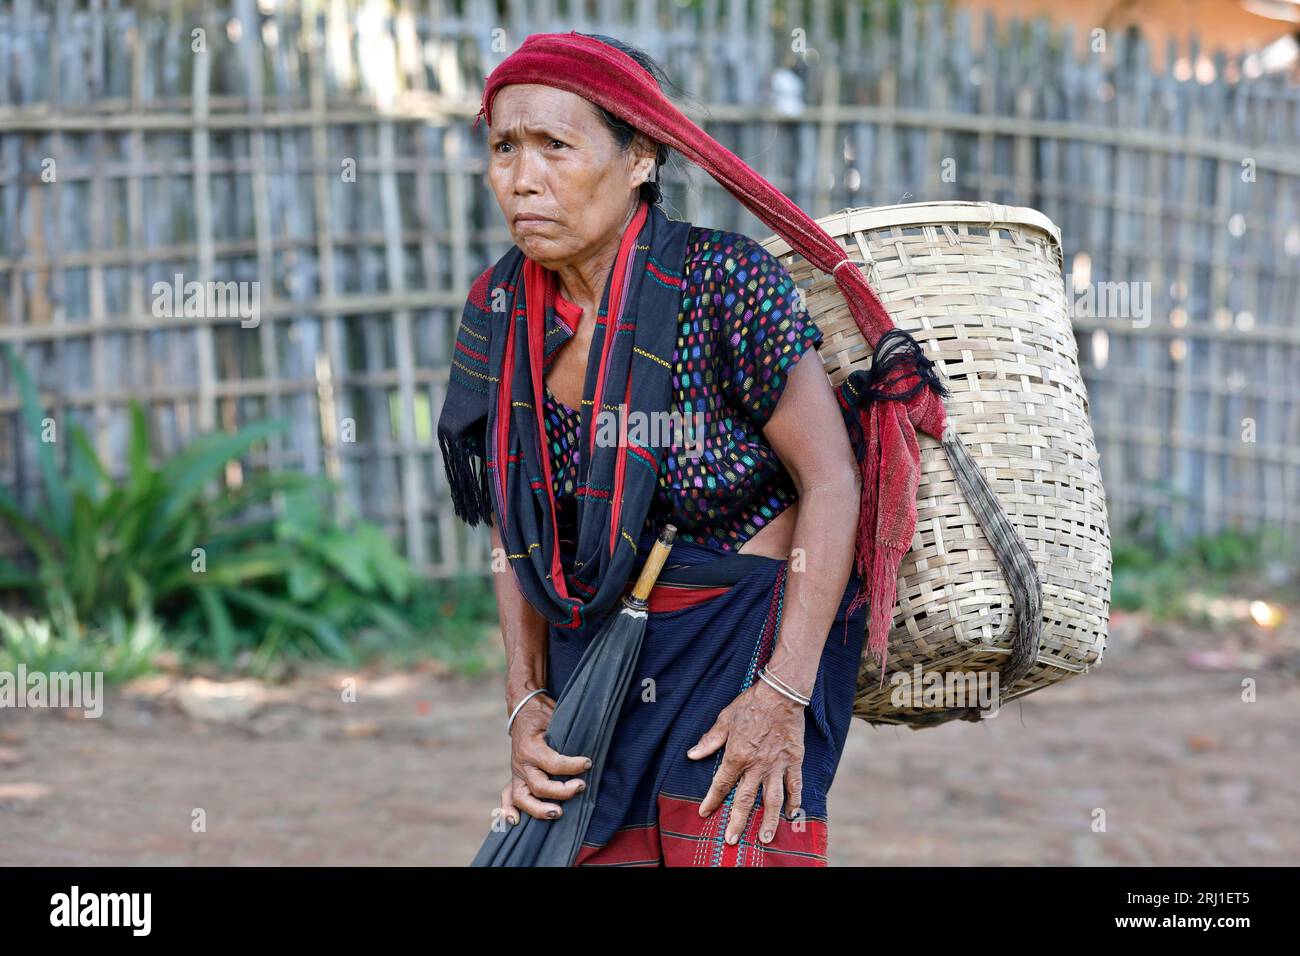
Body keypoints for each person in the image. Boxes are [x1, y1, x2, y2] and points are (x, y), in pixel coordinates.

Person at [436, 32, 947, 866]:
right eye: (503, 147)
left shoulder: (720, 284)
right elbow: (513, 522)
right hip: (591, 657)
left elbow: (832, 482)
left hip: (738, 651)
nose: (521, 178)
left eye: (556, 146)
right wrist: (525, 698)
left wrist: (781, 694)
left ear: (640, 156)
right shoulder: (501, 309)